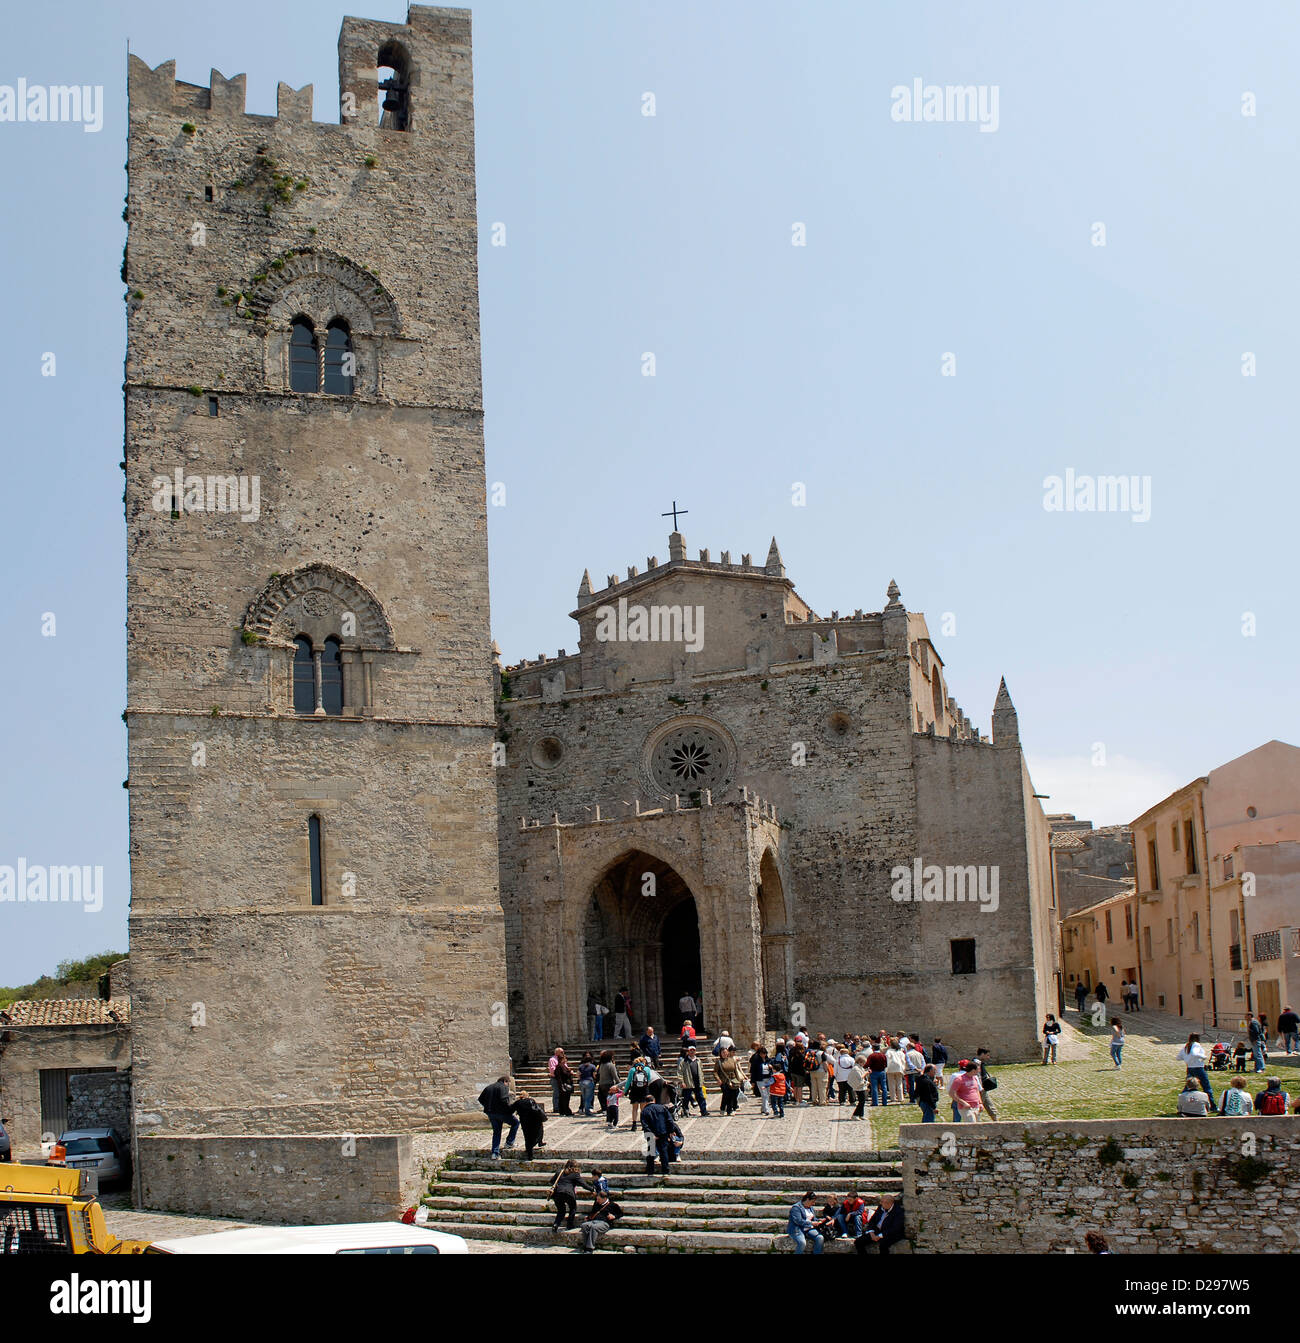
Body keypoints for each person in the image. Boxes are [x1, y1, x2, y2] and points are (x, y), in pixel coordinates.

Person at [640, 1096, 683, 1177]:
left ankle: (650, 1171)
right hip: (663, 1132)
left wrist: (650, 1133)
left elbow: (644, 1125)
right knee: (663, 1152)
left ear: (645, 1102)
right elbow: (670, 1120)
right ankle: (665, 1171)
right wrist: (670, 1131)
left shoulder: (644, 1111)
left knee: (651, 1152)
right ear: (654, 1100)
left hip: (651, 1134)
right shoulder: (662, 1108)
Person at [478, 1074, 519, 1159]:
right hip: (502, 1113)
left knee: (496, 1132)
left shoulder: (489, 1087)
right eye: (508, 1083)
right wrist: (510, 1109)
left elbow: (481, 1099)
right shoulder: (503, 1087)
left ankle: (495, 1153)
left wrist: (488, 1107)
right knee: (515, 1123)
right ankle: (509, 1143)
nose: (508, 1085)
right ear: (505, 1081)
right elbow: (504, 1099)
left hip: (491, 1113)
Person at [549, 1160, 590, 1231]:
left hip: (558, 1193)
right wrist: (592, 1189)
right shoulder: (575, 1174)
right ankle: (570, 1224)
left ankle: (556, 1224)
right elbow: (583, 1184)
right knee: (573, 1208)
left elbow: (551, 1181)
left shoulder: (560, 1172)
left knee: (561, 1210)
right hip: (569, 1194)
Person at [577, 1188, 623, 1253]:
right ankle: (585, 1245)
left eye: (599, 1199)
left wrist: (614, 1216)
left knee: (594, 1228)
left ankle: (589, 1248)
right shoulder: (596, 1203)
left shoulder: (613, 1205)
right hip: (594, 1221)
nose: (597, 1200)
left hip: (604, 1223)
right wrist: (589, 1217)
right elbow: (593, 1212)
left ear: (604, 1199)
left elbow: (620, 1213)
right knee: (584, 1225)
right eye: (597, 1199)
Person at [1177, 1034, 1215, 1107]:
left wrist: (1187, 1058)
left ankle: (1181, 1104)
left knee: (1188, 1086)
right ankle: (1212, 1106)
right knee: (1206, 1087)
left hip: (1190, 1068)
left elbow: (1178, 1057)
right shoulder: (1196, 1045)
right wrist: (1203, 1057)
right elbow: (1195, 1053)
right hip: (1198, 1067)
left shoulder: (1186, 1046)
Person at [510, 1088, 547, 1158]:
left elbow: (510, 1110)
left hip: (525, 1121)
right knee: (538, 1132)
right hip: (535, 1120)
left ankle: (529, 1153)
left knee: (527, 1137)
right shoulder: (531, 1100)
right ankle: (539, 1142)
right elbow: (537, 1109)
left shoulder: (517, 1103)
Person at [624, 1055, 654, 1128]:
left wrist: (625, 1091)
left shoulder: (632, 1070)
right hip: (644, 1090)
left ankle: (634, 1125)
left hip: (635, 1090)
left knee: (635, 1108)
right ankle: (643, 1124)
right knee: (643, 1108)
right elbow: (649, 1079)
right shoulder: (647, 1069)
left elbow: (628, 1082)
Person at [678, 1044, 709, 1116]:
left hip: (697, 1082)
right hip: (688, 1082)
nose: (692, 1052)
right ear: (688, 1052)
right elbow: (680, 1072)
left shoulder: (698, 1061)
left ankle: (703, 1111)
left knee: (700, 1097)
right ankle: (685, 1111)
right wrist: (682, 1082)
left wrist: (702, 1080)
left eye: (693, 1050)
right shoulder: (683, 1061)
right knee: (686, 1098)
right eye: (690, 1050)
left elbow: (701, 1071)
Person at [714, 1045, 744, 1115]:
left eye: (725, 1052)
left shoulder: (731, 1060)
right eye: (723, 1052)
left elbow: (735, 1070)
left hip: (733, 1079)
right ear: (720, 1053)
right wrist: (718, 1079)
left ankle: (726, 1109)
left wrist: (738, 1079)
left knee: (733, 1094)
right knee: (727, 1094)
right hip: (724, 1080)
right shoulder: (718, 1062)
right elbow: (715, 1072)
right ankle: (726, 1109)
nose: (724, 1054)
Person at [974, 1047, 999, 1120]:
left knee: (989, 1104)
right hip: (980, 1089)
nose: (988, 1057)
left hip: (984, 1088)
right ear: (982, 1054)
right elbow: (977, 1077)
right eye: (987, 1055)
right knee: (979, 1106)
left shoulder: (980, 1063)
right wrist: (980, 1088)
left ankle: (996, 1120)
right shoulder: (976, 1063)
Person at [750, 1043, 774, 1115]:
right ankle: (767, 1110)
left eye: (765, 1054)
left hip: (768, 1079)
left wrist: (771, 1067)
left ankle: (763, 1108)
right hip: (760, 1079)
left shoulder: (768, 1060)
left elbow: (774, 1068)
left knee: (767, 1094)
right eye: (762, 1054)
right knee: (764, 1094)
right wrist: (753, 1081)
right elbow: (753, 1071)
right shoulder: (756, 1061)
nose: (763, 1055)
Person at [596, 1049, 620, 1114]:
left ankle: (604, 1110)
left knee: (603, 1098)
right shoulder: (611, 1065)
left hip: (601, 1084)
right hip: (609, 1084)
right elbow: (615, 1076)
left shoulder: (601, 1065)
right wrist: (620, 1085)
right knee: (610, 1099)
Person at [866, 1040, 889, 1107]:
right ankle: (884, 1102)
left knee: (874, 1087)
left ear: (873, 1048)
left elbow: (868, 1064)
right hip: (882, 1072)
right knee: (884, 1087)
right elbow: (886, 1064)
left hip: (874, 1072)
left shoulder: (871, 1056)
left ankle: (875, 1102)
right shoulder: (883, 1055)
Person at [552, 1048, 574, 1117]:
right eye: (565, 1059)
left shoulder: (562, 1066)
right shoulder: (559, 1066)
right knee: (564, 1098)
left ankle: (563, 1110)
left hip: (564, 1083)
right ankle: (566, 1111)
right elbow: (561, 1075)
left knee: (563, 1098)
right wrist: (570, 1073)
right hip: (564, 1084)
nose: (566, 1060)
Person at [885, 1038, 907, 1104]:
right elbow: (903, 1060)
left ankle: (893, 1098)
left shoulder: (889, 1052)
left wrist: (886, 1068)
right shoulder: (900, 1052)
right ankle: (900, 1097)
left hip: (891, 1068)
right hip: (899, 1068)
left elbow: (887, 1060)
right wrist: (903, 1068)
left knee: (891, 1083)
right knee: (899, 1083)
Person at [846, 1054, 868, 1120]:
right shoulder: (856, 1068)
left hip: (862, 1086)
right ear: (860, 1062)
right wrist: (866, 1073)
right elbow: (860, 1078)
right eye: (863, 1063)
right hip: (859, 1087)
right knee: (861, 1101)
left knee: (863, 1101)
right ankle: (855, 1114)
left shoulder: (859, 1067)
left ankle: (861, 1114)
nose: (864, 1064)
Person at [578, 1051, 598, 1116]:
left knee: (584, 1096)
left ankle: (583, 1108)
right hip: (589, 1081)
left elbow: (578, 1074)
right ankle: (587, 1111)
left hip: (582, 1082)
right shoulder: (592, 1066)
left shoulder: (580, 1066)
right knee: (588, 1097)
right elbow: (594, 1075)